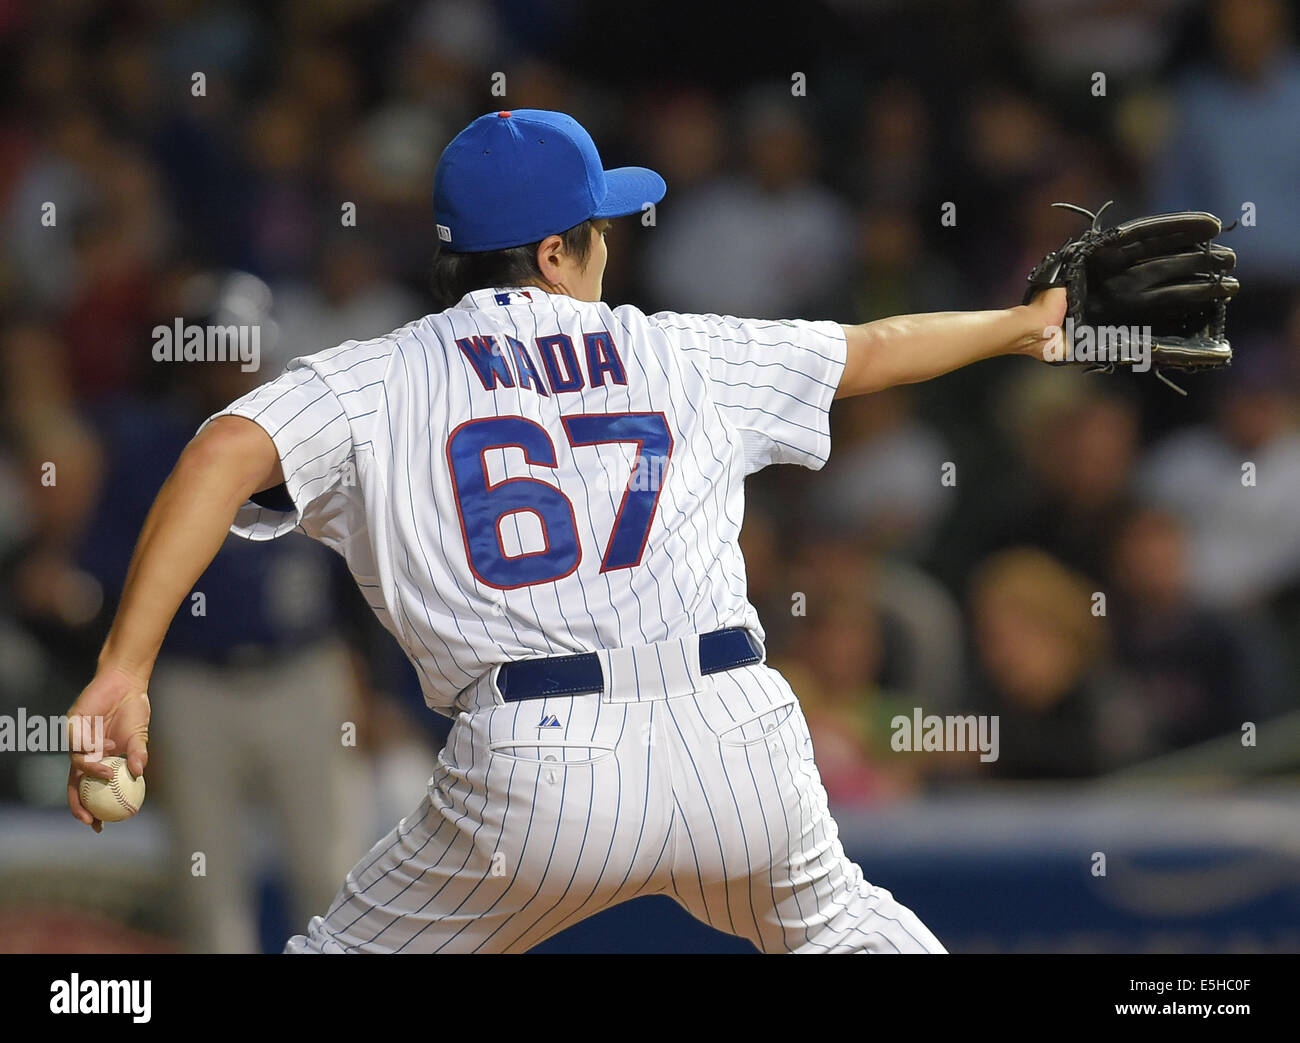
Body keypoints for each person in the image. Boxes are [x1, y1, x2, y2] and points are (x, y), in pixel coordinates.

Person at [66, 108, 1066, 953]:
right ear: (553, 251)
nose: (608, 243)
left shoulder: (380, 376)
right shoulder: (673, 347)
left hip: (533, 764)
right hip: (737, 734)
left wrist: (122, 667)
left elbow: (219, 452)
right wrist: (1026, 323)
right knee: (844, 923)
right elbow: (874, 348)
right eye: (598, 226)